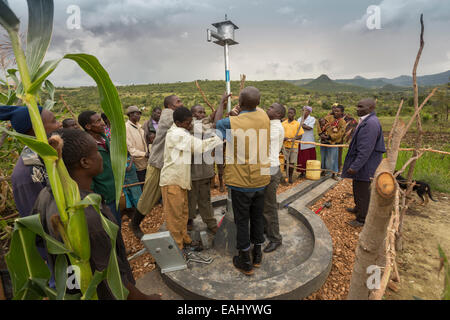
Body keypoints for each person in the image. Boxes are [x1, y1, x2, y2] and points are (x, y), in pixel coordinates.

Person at [34, 129, 161, 300]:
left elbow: (40, 242)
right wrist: (146, 299)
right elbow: (111, 278)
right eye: (97, 152)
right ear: (85, 162)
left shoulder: (45, 195)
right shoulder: (87, 213)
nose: (102, 156)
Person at [215, 87, 271, 276]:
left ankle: (244, 260)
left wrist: (222, 105)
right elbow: (252, 111)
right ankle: (257, 255)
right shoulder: (263, 115)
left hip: (241, 181)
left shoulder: (231, 122)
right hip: (261, 179)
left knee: (242, 221)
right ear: (258, 102)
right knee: (257, 217)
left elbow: (217, 126)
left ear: (240, 104)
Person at [4, 106, 62, 272]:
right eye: (53, 121)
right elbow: (40, 226)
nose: (59, 125)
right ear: (35, 130)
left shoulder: (50, 158)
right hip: (59, 255)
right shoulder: (26, 174)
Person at [160, 107, 223, 251]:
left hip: (180, 181)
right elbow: (199, 146)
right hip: (172, 182)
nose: (190, 124)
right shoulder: (177, 134)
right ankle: (178, 248)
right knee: (174, 217)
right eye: (188, 122)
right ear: (178, 122)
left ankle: (185, 238)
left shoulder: (181, 131)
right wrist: (219, 138)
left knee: (182, 213)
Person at [134, 95, 184, 237]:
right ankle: (134, 224)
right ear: (170, 105)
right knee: (149, 196)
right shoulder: (168, 116)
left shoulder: (174, 115)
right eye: (178, 102)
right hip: (158, 164)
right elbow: (188, 125)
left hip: (168, 164)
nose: (181, 103)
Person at [342, 99, 386, 228]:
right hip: (363, 164)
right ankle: (358, 208)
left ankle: (362, 218)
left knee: (363, 191)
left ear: (371, 108)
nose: (357, 109)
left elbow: (365, 149)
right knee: (357, 187)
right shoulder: (366, 120)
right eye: (357, 106)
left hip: (366, 165)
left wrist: (355, 166)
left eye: (361, 107)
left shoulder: (370, 124)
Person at [78, 111, 121, 226]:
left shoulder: (104, 138)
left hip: (113, 192)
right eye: (98, 121)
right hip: (103, 198)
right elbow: (88, 175)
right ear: (88, 126)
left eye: (101, 120)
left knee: (117, 225)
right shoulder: (86, 146)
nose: (103, 123)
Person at [187, 105, 218, 234]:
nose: (202, 114)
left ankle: (210, 222)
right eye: (199, 112)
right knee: (190, 199)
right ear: (192, 114)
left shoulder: (204, 125)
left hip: (205, 171)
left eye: (203, 112)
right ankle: (189, 219)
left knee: (205, 199)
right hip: (192, 172)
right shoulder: (190, 127)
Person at [263, 103, 286, 253]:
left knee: (269, 206)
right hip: (267, 167)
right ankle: (267, 230)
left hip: (270, 168)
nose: (267, 108)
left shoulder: (275, 128)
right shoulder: (270, 125)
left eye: (271, 107)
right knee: (263, 204)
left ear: (278, 114)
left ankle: (275, 239)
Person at [318, 105, 346, 178]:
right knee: (323, 157)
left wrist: (330, 137)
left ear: (342, 113)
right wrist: (321, 134)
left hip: (333, 142)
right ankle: (323, 171)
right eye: (335, 110)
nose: (335, 112)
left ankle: (334, 173)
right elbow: (319, 123)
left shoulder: (342, 122)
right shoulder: (328, 118)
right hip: (324, 141)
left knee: (332, 158)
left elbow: (340, 133)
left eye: (337, 111)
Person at [124, 153, 145, 239]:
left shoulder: (128, 157)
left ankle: (136, 215)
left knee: (139, 199)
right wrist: (132, 159)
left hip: (134, 179)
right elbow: (127, 168)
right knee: (135, 199)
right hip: (129, 181)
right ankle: (134, 218)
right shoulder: (122, 159)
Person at [125, 106, 148, 183]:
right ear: (130, 115)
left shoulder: (140, 126)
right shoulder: (126, 128)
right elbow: (131, 150)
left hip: (146, 162)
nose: (139, 116)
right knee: (142, 185)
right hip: (137, 164)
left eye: (139, 114)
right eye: (137, 114)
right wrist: (145, 154)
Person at [282, 108, 304, 184]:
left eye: (291, 113)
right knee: (284, 162)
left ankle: (290, 177)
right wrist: (283, 138)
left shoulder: (297, 124)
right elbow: (280, 133)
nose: (289, 114)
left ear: (294, 114)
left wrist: (293, 138)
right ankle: (285, 176)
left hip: (293, 146)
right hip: (285, 146)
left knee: (291, 162)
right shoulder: (284, 123)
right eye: (289, 113)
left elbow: (300, 135)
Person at [297, 106, 317, 177]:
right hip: (301, 140)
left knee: (309, 157)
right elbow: (297, 128)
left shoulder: (312, 119)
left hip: (309, 140)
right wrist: (302, 125)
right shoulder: (299, 119)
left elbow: (309, 128)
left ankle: (309, 172)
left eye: (305, 111)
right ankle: (302, 172)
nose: (303, 112)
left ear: (309, 112)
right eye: (303, 110)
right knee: (301, 157)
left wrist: (301, 125)